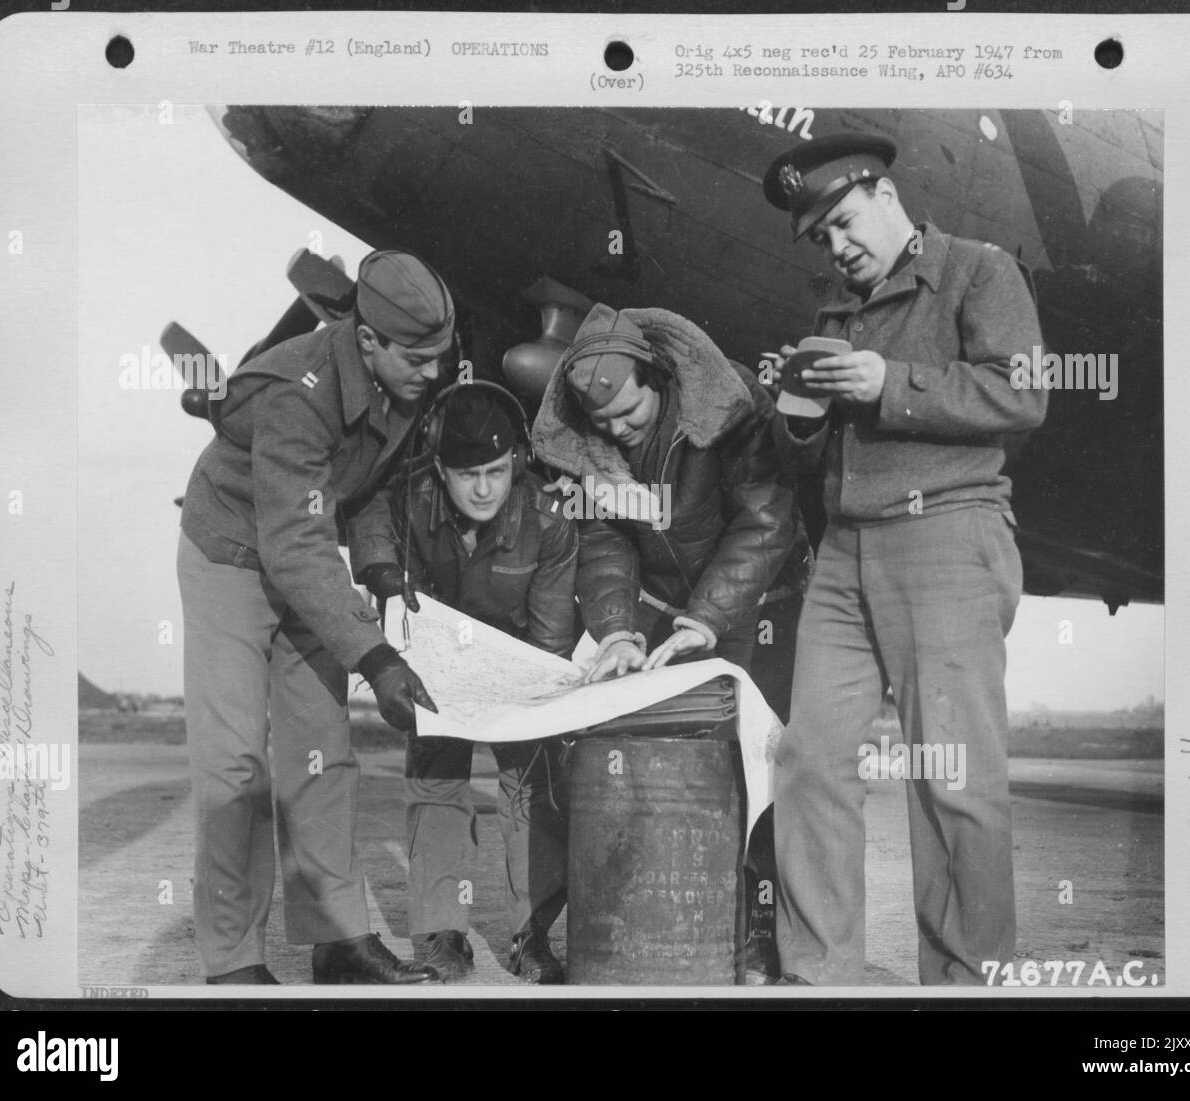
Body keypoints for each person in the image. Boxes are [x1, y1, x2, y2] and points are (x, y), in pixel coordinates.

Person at [760, 133, 1048, 985]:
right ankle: (819, 973)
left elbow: (1023, 392)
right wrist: (803, 411)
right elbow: (805, 458)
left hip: (950, 537)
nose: (838, 247)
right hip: (846, 549)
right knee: (809, 759)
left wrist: (887, 380)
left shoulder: (980, 270)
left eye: (845, 223)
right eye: (822, 240)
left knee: (952, 778)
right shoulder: (833, 317)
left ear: (887, 197)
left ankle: (967, 982)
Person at [177, 249, 454, 985]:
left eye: (439, 357)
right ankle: (234, 959)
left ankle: (338, 939)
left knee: (322, 754)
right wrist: (377, 657)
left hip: (305, 561)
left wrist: (379, 567)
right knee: (236, 761)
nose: (434, 374)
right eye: (419, 359)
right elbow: (294, 541)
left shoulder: (411, 376)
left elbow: (364, 482)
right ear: (369, 341)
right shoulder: (297, 392)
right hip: (233, 552)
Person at [531, 304, 806, 982]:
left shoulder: (729, 406)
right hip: (672, 611)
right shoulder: (594, 445)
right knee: (683, 764)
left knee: (765, 767)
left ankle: (762, 930)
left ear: (659, 380)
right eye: (603, 425)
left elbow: (766, 520)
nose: (618, 432)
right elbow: (604, 543)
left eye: (631, 415)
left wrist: (707, 618)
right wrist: (618, 629)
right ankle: (692, 921)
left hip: (764, 600)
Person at [377, 382, 577, 983]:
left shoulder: (549, 517)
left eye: (496, 470)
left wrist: (531, 704)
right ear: (439, 468)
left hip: (518, 662)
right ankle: (440, 934)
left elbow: (550, 636)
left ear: (516, 461)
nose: (485, 488)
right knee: (435, 781)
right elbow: (376, 547)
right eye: (467, 474)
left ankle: (530, 935)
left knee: (528, 784)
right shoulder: (408, 503)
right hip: (437, 665)